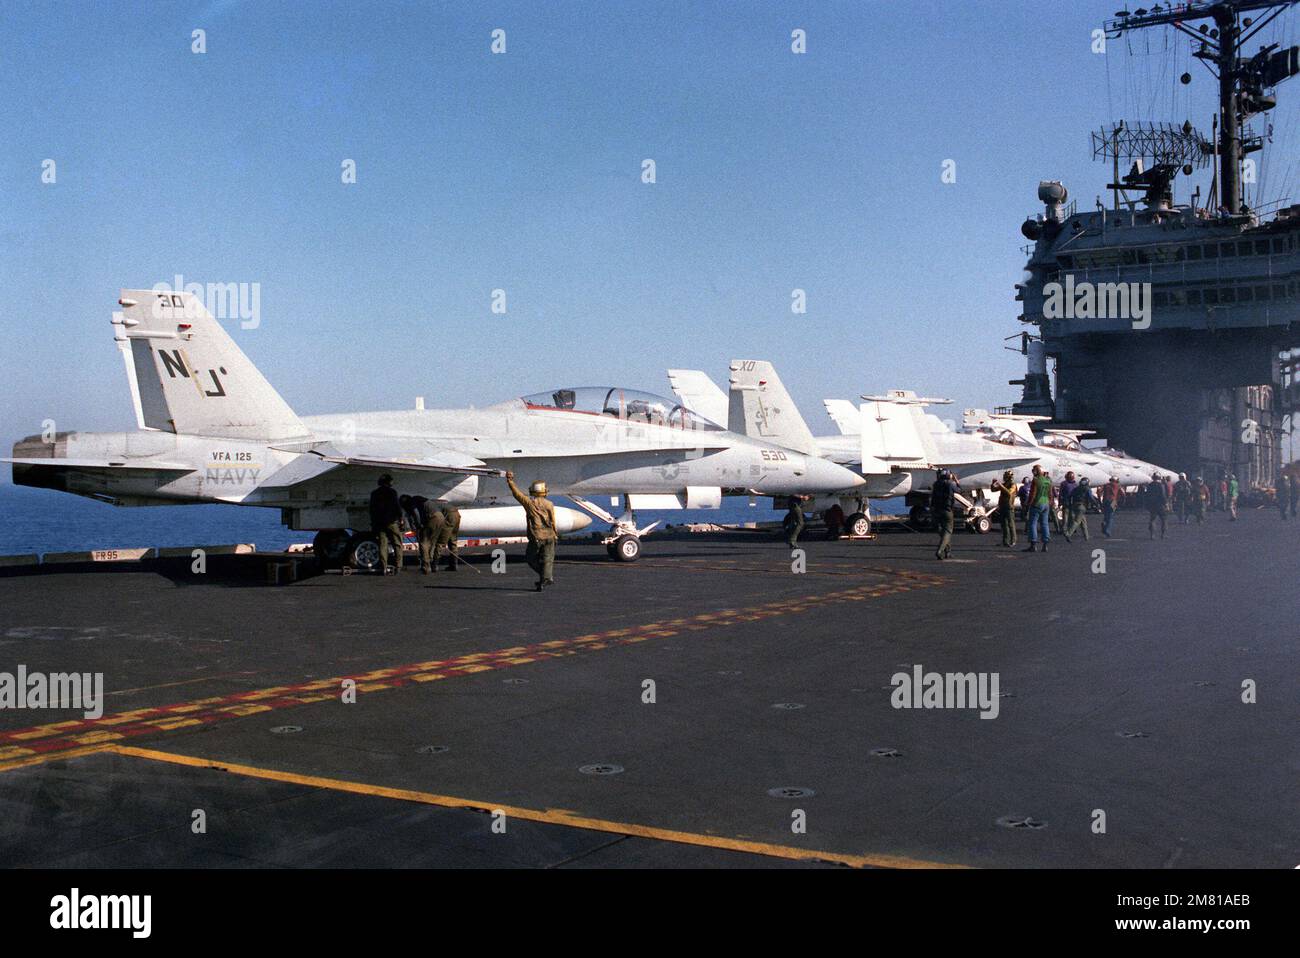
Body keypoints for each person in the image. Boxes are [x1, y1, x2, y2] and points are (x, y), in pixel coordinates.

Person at [506, 471, 558, 591]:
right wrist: (555, 535)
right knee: (548, 560)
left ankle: (544, 577)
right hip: (550, 536)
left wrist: (510, 481)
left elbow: (516, 493)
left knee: (531, 559)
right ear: (544, 491)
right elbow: (553, 521)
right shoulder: (550, 504)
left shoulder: (529, 503)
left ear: (533, 491)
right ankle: (546, 577)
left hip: (537, 537)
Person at [369, 474, 404, 574]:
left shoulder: (374, 493)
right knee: (397, 543)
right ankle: (398, 566)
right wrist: (401, 518)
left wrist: (373, 522)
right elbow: (397, 506)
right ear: (389, 482)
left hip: (379, 523)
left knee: (382, 544)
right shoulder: (392, 492)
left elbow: (371, 510)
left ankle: (383, 567)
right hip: (391, 522)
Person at [1023, 465, 1052, 552]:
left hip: (1037, 504)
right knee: (1045, 524)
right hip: (1046, 503)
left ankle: (1033, 545)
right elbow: (1050, 494)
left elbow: (1033, 494)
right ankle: (1045, 545)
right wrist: (1049, 503)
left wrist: (1028, 504)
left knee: (1033, 523)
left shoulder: (1035, 481)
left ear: (1036, 471)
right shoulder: (1048, 480)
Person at [930, 469, 956, 560]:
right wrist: (957, 481)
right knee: (948, 532)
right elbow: (959, 490)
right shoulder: (950, 484)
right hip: (947, 510)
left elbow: (933, 497)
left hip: (936, 510)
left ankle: (948, 551)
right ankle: (940, 551)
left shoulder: (936, 484)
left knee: (942, 530)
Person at [419, 500, 448, 574]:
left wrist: (419, 525)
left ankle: (426, 565)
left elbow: (417, 515)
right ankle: (432, 563)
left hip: (434, 518)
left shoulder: (414, 503)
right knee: (433, 541)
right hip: (441, 517)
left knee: (424, 542)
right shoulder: (429, 503)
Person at [991, 470, 1018, 547]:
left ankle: (1013, 540)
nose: (1004, 477)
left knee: (1011, 524)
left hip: (1009, 506)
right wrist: (993, 484)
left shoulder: (1013, 485)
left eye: (1005, 476)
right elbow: (993, 490)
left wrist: (1001, 486)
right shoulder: (1005, 484)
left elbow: (1009, 493)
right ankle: (1005, 541)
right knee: (1004, 524)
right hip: (1003, 505)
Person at [1064, 475, 1094, 541]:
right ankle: (1068, 533)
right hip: (1082, 506)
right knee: (1077, 521)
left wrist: (1070, 504)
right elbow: (1091, 497)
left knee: (1083, 521)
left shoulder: (1076, 488)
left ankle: (1086, 536)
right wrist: (1096, 504)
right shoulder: (1087, 489)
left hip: (1074, 505)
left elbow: (1070, 496)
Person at [1146, 473, 1168, 539]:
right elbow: (1163, 495)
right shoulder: (1161, 485)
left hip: (1152, 505)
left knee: (1152, 520)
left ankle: (1152, 535)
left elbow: (1147, 495)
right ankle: (1163, 535)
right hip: (1160, 505)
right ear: (1159, 478)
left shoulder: (1149, 485)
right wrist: (1166, 504)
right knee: (1164, 520)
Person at [440, 504, 462, 570]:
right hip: (456, 514)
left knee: (440, 542)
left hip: (449, 515)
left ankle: (433, 565)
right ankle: (454, 565)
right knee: (453, 541)